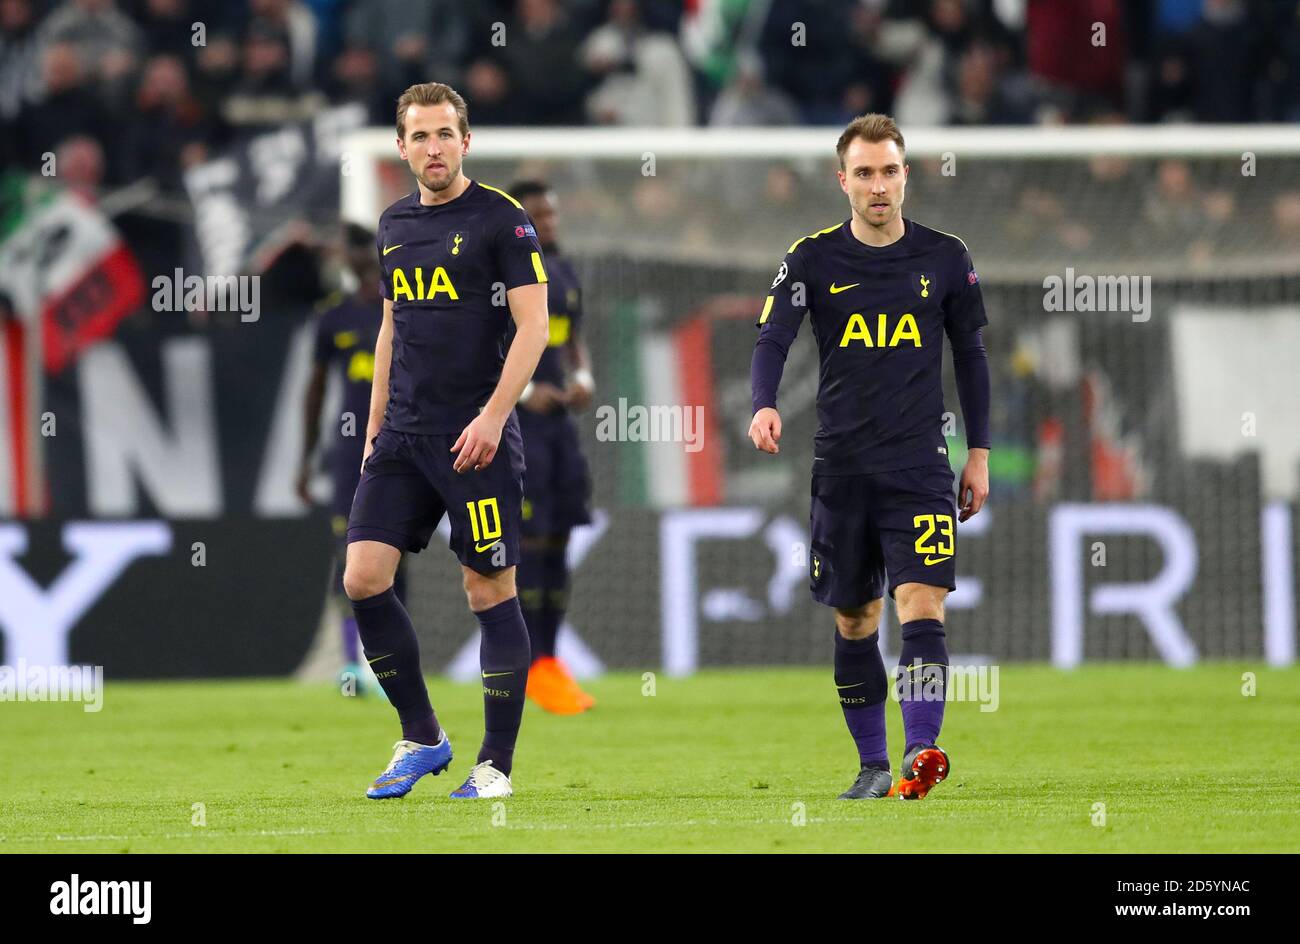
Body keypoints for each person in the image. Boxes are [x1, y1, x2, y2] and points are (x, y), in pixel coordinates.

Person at [748, 113, 990, 800]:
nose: (878, 186)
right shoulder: (812, 258)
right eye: (864, 173)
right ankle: (873, 764)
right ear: (842, 180)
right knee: (856, 617)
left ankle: (920, 751)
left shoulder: (946, 257)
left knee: (923, 603)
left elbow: (971, 356)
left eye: (888, 171)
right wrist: (763, 402)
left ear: (905, 175)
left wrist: (978, 451)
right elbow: (772, 337)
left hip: (918, 466)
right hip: (842, 467)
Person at [343, 82, 549, 800]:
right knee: (363, 578)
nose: (433, 148)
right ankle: (424, 737)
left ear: (467, 141)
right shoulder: (393, 224)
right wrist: (373, 428)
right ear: (401, 147)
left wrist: (494, 415)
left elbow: (534, 327)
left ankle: (495, 765)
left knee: (486, 589)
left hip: (475, 438)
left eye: (444, 134)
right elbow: (392, 328)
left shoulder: (503, 220)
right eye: (419, 136)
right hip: (401, 435)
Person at [298, 223, 403, 696]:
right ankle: (350, 664)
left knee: (399, 560)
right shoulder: (334, 317)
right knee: (350, 555)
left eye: (353, 250)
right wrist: (305, 458)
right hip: (351, 452)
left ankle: (392, 662)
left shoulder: (405, 307)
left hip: (402, 444)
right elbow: (316, 388)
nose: (346, 259)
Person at [509, 180, 596, 715]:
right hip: (517, 427)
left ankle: (550, 661)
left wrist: (583, 376)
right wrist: (522, 390)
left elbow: (570, 337)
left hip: (560, 427)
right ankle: (531, 663)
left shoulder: (561, 275)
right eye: (538, 216)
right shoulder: (501, 278)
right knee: (531, 542)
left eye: (553, 214)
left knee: (559, 538)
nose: (549, 224)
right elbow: (480, 347)